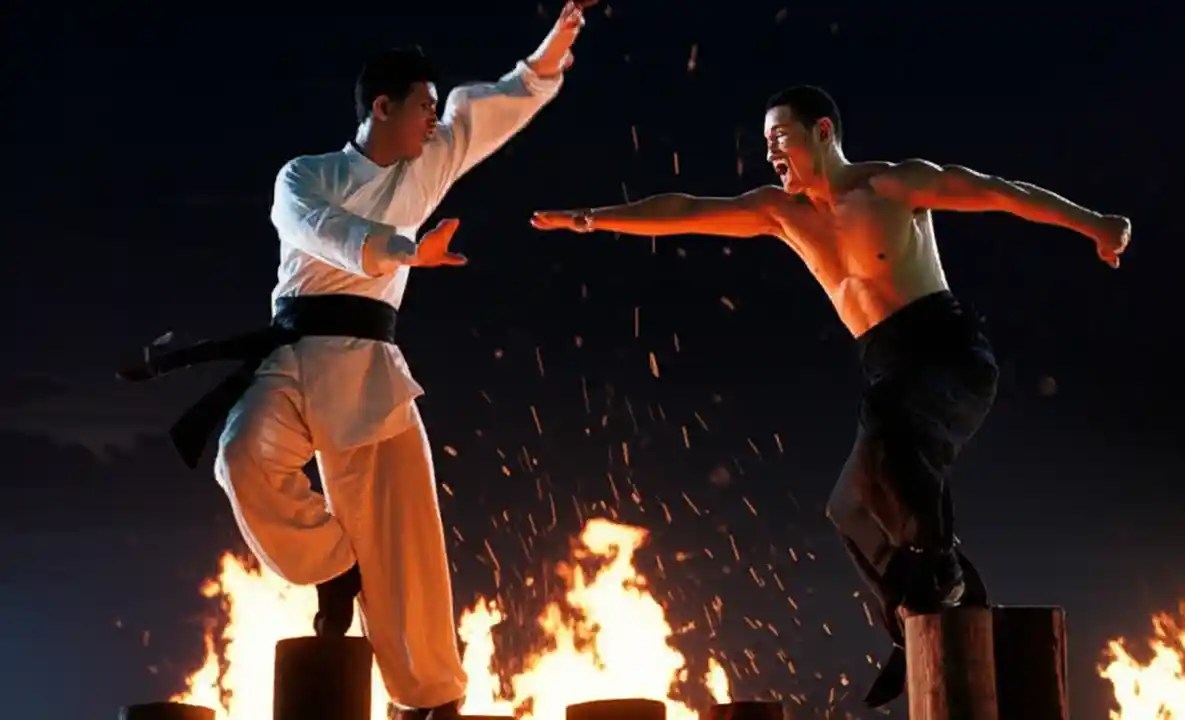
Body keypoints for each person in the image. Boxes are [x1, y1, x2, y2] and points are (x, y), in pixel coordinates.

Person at [530, 84, 1131, 707]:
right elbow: (686, 208)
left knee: (890, 422)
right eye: (765, 146)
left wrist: (1095, 225)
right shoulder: (781, 214)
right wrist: (592, 218)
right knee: (847, 508)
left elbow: (997, 191)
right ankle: (916, 614)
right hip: (888, 370)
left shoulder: (892, 187)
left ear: (823, 132)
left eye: (781, 140)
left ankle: (940, 570)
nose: (772, 156)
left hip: (948, 356)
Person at [117, 4, 589, 717]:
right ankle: (333, 568)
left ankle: (430, 698)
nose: (434, 122)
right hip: (290, 355)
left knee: (406, 541)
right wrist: (407, 250)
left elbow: (489, 109)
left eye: (435, 111)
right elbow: (324, 232)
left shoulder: (429, 161)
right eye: (423, 107)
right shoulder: (303, 175)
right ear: (381, 105)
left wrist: (549, 55)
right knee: (242, 457)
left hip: (369, 367)